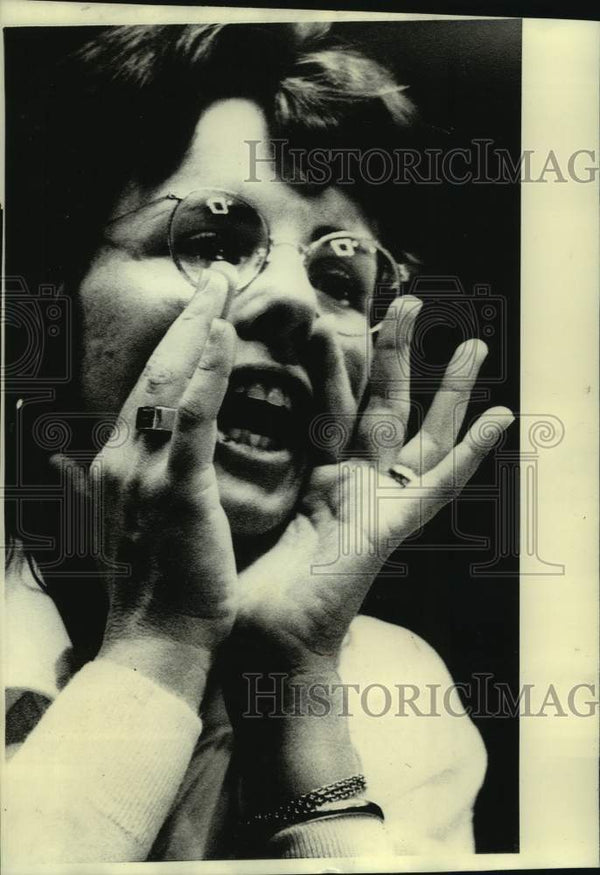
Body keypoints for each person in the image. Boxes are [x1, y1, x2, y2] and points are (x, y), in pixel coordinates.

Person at [4, 22, 514, 863]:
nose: (296, 302)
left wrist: (295, 686)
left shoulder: (401, 691)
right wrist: (160, 640)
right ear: (46, 307)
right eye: (210, 243)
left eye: (338, 278)